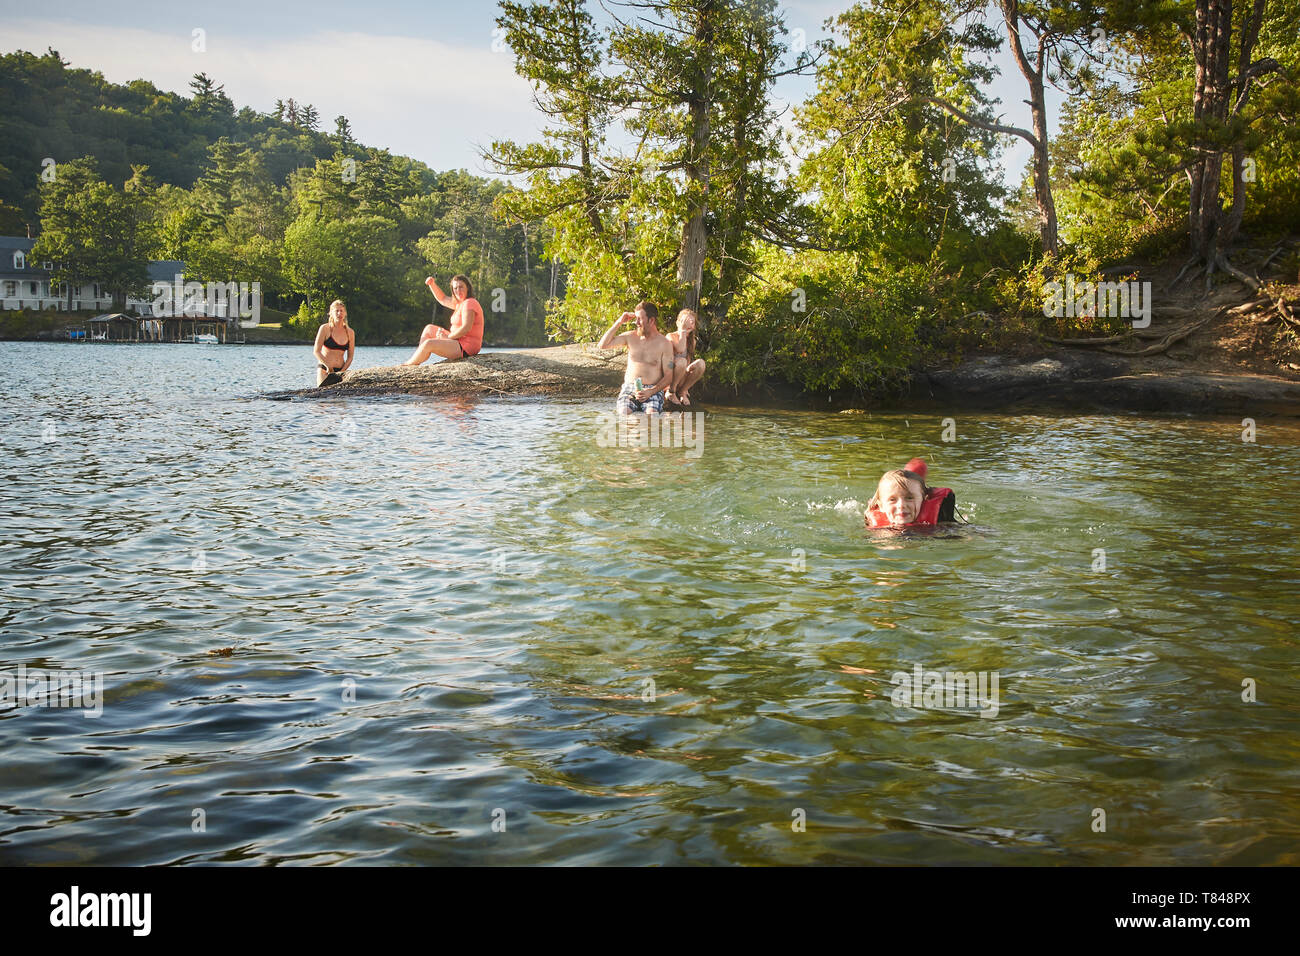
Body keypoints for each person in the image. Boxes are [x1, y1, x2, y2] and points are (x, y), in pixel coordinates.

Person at [597, 301, 674, 415]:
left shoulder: (665, 344)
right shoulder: (630, 337)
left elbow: (669, 376)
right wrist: (619, 322)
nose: (636, 322)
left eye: (640, 319)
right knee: (624, 413)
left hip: (652, 389)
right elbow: (602, 345)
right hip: (630, 388)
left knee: (651, 416)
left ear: (651, 320)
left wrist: (651, 391)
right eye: (636, 318)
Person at [402, 274, 484, 365]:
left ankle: (409, 364)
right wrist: (432, 284)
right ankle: (418, 356)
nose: (458, 291)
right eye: (455, 288)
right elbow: (442, 298)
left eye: (461, 287)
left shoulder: (470, 302)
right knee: (429, 329)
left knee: (429, 343)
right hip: (457, 340)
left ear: (468, 288)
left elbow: (466, 328)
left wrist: (448, 337)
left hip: (467, 347)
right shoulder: (459, 303)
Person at [865, 458, 957, 529]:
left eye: (909, 498)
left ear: (924, 500)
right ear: (881, 506)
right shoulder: (875, 532)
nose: (901, 505)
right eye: (892, 499)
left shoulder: (943, 528)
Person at [665, 308, 706, 406]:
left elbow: (687, 359)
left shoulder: (692, 341)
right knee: (681, 361)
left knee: (701, 363)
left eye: (691, 322)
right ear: (678, 323)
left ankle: (682, 391)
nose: (688, 325)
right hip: (668, 376)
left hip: (681, 374)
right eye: (685, 321)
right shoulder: (670, 336)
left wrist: (687, 370)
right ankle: (671, 391)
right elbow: (680, 350)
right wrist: (682, 331)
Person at [313, 300, 355, 386]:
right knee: (323, 395)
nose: (339, 313)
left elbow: (350, 357)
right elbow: (316, 351)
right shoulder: (325, 328)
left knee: (340, 398)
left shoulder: (350, 332)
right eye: (337, 311)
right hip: (325, 369)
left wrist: (342, 371)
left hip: (341, 370)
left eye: (341, 311)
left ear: (345, 313)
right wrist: (328, 366)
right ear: (331, 313)